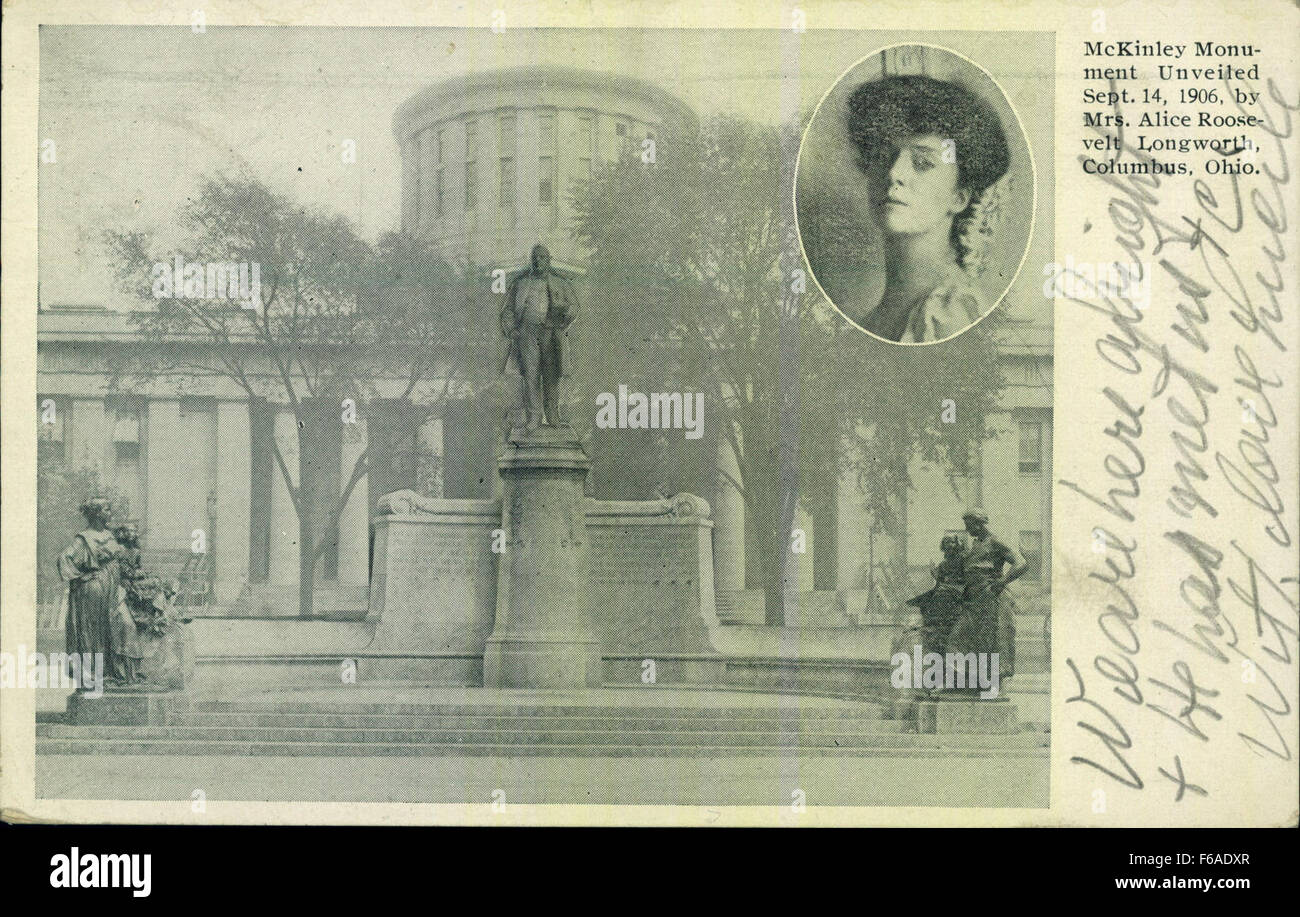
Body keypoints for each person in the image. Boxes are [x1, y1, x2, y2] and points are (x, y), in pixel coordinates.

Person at [845, 74, 1010, 342]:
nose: (894, 173)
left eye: (923, 163)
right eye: (883, 157)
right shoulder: (871, 321)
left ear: (959, 197)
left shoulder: (950, 316)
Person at [500, 243, 580, 432]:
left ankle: (552, 414)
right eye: (535, 257)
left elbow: (574, 306)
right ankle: (534, 416)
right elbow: (508, 311)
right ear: (531, 260)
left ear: (549, 260)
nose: (538, 261)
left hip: (551, 333)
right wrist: (512, 331)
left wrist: (565, 315)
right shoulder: (520, 284)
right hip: (527, 334)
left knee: (551, 375)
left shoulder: (561, 283)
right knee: (531, 375)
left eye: (543, 257)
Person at [946, 508, 1025, 680]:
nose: (967, 529)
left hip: (991, 598)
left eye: (969, 525)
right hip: (973, 600)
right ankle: (968, 681)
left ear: (979, 523)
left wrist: (1002, 581)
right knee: (956, 640)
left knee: (989, 642)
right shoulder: (976, 545)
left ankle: (986, 682)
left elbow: (1021, 563)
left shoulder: (995, 542)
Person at [57, 498, 124, 688]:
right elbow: (65, 559)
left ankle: (109, 672)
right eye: (106, 509)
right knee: (93, 631)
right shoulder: (84, 538)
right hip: (93, 590)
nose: (110, 512)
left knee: (109, 628)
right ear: (96, 513)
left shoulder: (109, 534)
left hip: (110, 589)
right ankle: (92, 674)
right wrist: (82, 575)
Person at [906, 532, 968, 658]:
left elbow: (966, 578)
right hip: (946, 589)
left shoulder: (963, 559)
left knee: (941, 594)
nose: (949, 545)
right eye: (946, 542)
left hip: (959, 589)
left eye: (952, 542)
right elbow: (940, 581)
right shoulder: (944, 564)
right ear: (943, 546)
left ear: (957, 544)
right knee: (927, 599)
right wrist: (935, 574)